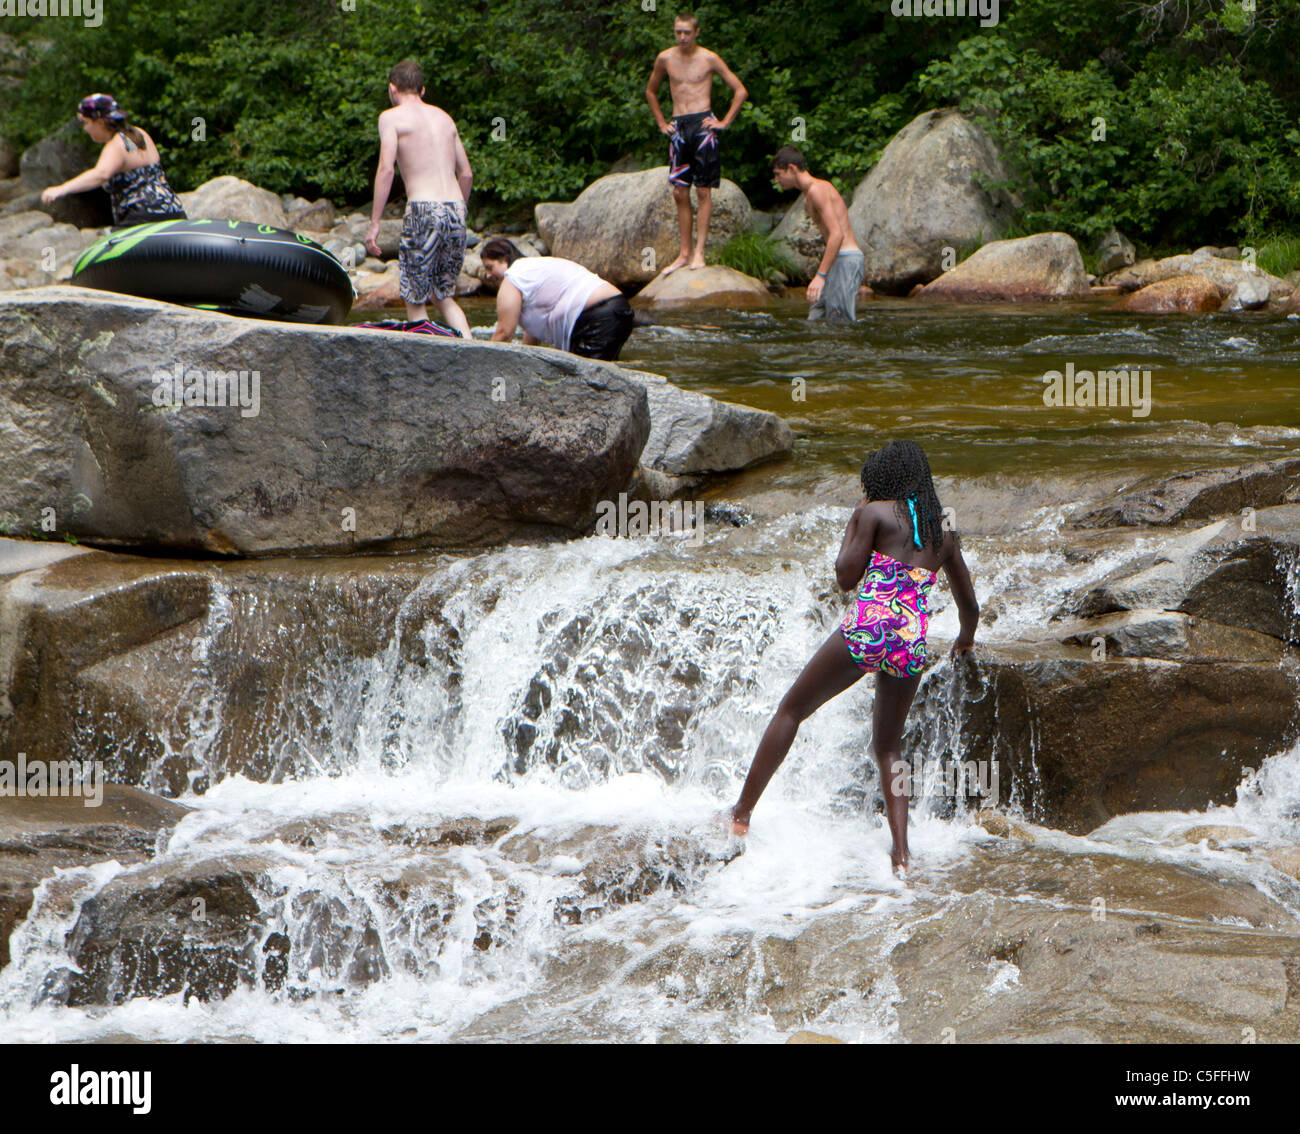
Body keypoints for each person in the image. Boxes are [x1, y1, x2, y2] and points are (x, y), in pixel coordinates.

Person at [728, 440, 979, 875]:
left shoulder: (873, 514)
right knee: (889, 747)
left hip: (867, 630)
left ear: (883, 480)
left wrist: (855, 517)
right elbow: (968, 605)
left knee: (791, 710)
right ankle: (902, 855)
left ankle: (740, 815)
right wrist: (963, 641)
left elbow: (845, 577)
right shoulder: (944, 534)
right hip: (910, 642)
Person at [366, 60, 473, 338]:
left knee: (415, 299)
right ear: (422, 90)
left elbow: (387, 169)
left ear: (392, 88)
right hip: (455, 209)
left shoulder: (390, 117)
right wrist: (459, 210)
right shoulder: (444, 117)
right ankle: (473, 351)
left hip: (424, 209)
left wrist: (375, 222)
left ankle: (427, 373)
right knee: (444, 296)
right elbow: (467, 174)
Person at [644, 12, 747, 274]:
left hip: (703, 124)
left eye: (686, 32)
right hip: (679, 126)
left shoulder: (709, 58)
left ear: (697, 32)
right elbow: (650, 91)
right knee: (679, 191)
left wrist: (723, 122)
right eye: (678, 32)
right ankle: (684, 253)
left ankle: (699, 252)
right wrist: (660, 122)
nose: (682, 37)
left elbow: (740, 90)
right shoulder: (665, 58)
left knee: (703, 190)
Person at [40, 94, 186, 228]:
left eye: (86, 123)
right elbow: (133, 160)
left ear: (100, 121)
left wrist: (62, 189)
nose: (85, 129)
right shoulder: (138, 134)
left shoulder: (116, 145)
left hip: (144, 217)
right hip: (172, 210)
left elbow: (101, 174)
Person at [479, 238, 636, 361]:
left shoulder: (513, 277)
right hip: (618, 311)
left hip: (597, 317)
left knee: (585, 385)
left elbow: (504, 333)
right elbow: (531, 339)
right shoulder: (531, 271)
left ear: (504, 260)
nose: (488, 275)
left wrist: (485, 365)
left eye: (490, 267)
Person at [772, 145, 866, 321]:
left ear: (791, 168)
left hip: (847, 259)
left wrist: (820, 276)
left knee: (839, 322)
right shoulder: (808, 198)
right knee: (816, 318)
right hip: (837, 262)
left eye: (778, 174)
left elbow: (837, 234)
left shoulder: (818, 190)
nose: (776, 179)